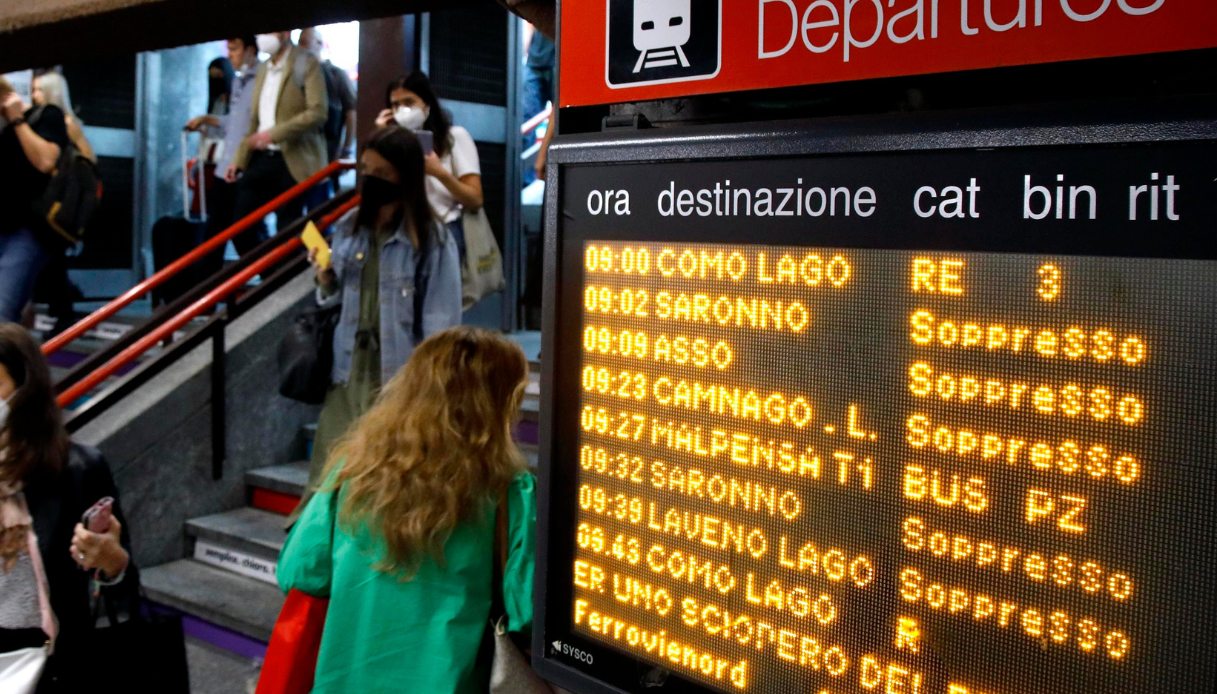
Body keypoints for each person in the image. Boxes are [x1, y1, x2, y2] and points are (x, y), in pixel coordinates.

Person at [277, 326, 535, 692]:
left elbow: (300, 572)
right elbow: (527, 610)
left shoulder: (353, 472)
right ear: (500, 402)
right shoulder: (511, 493)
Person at [295, 126, 462, 517]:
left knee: (386, 482)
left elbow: (441, 324)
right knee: (328, 479)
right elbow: (335, 300)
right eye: (366, 170)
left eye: (382, 174)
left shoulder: (431, 238)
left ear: (404, 178)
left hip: (398, 380)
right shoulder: (350, 226)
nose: (371, 180)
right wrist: (324, 279)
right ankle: (319, 561)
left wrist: (429, 392)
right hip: (347, 371)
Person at [0, 323, 138, 691]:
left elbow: (124, 583)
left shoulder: (77, 469)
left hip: (48, 667)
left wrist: (112, 562)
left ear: (25, 391)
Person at [226, 31, 328, 257]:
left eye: (268, 31)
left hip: (294, 158)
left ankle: (287, 281)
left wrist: (275, 134)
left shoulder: (306, 63)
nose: (263, 37)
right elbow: (255, 120)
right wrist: (239, 159)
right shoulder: (263, 69)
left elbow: (318, 112)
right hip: (262, 159)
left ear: (285, 33)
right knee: (240, 227)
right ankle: (271, 277)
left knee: (289, 229)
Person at [375, 72, 482, 260]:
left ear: (427, 105)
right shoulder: (397, 144)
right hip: (405, 232)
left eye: (409, 102)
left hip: (446, 228)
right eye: (395, 105)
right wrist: (383, 139)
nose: (402, 110)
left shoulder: (454, 138)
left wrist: (438, 172)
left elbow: (475, 199)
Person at [28, 72, 94, 333]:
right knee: (50, 261)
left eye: (39, 90)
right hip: (46, 203)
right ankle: (62, 309)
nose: (34, 96)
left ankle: (64, 311)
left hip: (56, 203)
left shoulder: (64, 123)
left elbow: (87, 159)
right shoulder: (43, 120)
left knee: (52, 260)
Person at [0, 77, 69, 324]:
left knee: (2, 313)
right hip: (4, 224)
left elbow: (45, 161)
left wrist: (17, 119)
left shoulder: (46, 116)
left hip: (27, 229)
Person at [187, 36, 260, 239]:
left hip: (243, 167)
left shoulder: (261, 81)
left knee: (242, 233)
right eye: (229, 49)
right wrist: (207, 120)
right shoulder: (238, 81)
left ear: (250, 50)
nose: (230, 55)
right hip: (225, 168)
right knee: (216, 231)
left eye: (235, 49)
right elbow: (233, 122)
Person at [298, 28, 357, 166]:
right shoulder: (298, 76)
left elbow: (351, 112)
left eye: (306, 42)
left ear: (319, 44)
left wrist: (346, 149)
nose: (302, 47)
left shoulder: (336, 75)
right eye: (300, 43)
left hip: (329, 146)